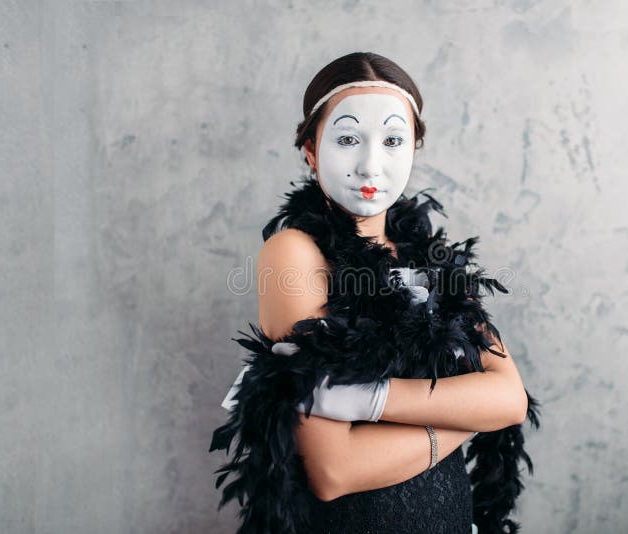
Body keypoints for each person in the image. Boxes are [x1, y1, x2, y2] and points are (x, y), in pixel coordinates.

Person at [211, 51, 537, 534]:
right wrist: (466, 416)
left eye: (392, 140)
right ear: (311, 150)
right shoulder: (296, 253)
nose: (370, 165)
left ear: (413, 149)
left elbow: (510, 399)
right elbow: (334, 470)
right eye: (347, 139)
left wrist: (371, 400)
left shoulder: (432, 259)